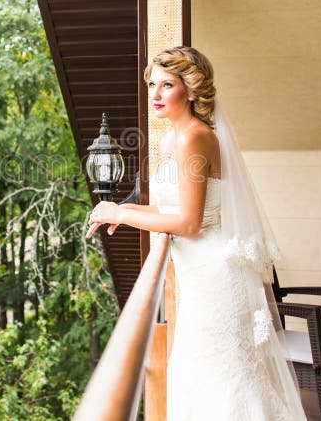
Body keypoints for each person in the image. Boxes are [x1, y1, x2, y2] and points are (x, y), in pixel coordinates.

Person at [86, 47, 307, 420]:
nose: (155, 94)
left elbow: (188, 224)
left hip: (217, 278)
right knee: (200, 375)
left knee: (218, 377)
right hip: (199, 276)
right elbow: (168, 209)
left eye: (166, 85)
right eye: (152, 84)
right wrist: (121, 213)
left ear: (189, 90)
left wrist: (123, 212)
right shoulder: (171, 140)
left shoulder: (195, 137)